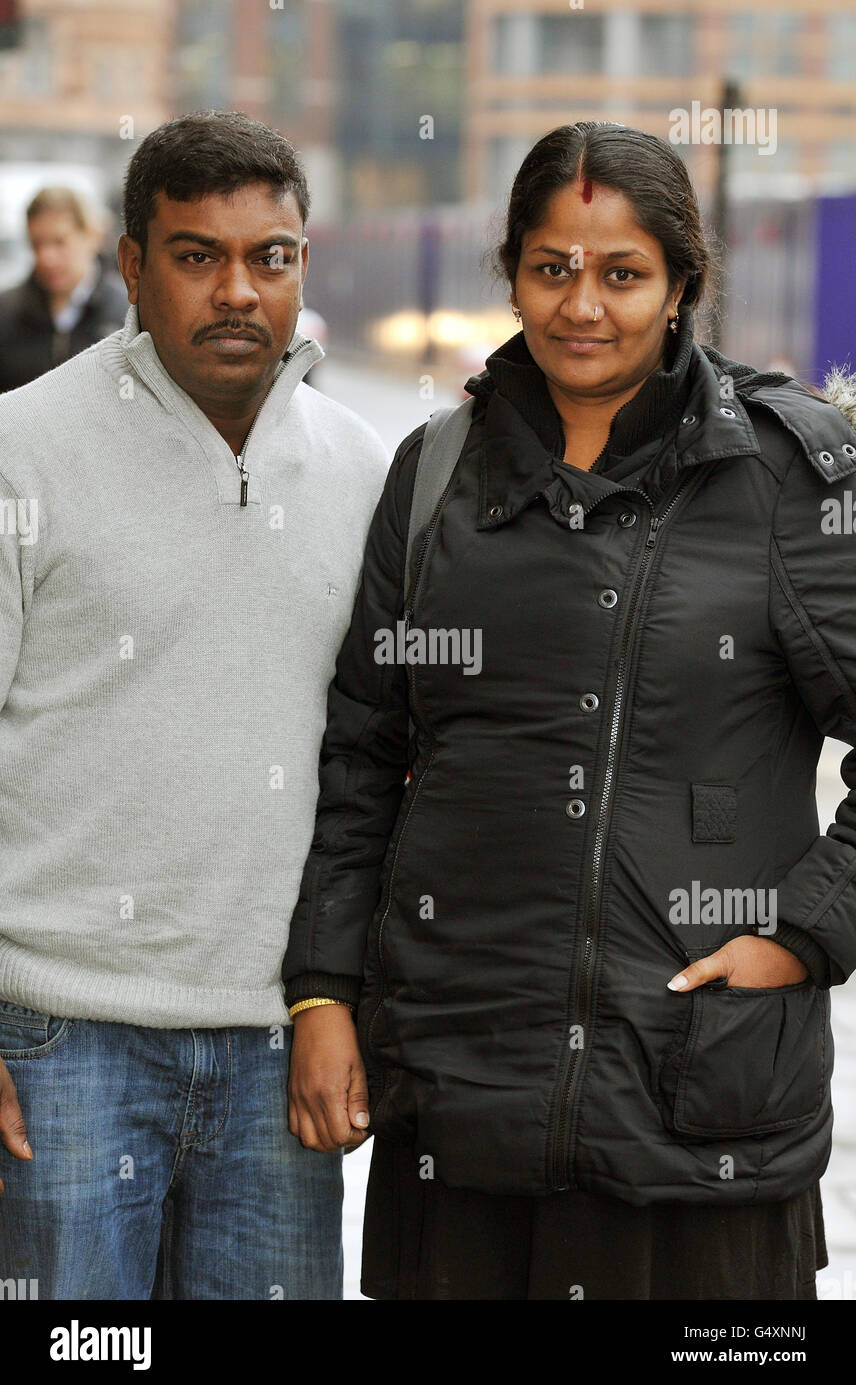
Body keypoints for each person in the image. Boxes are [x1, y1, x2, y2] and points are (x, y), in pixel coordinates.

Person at [283, 120, 856, 1301]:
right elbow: (363, 751)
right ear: (511, 274)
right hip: (461, 1105)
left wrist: (802, 933)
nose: (581, 305)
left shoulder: (789, 484)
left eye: (621, 274)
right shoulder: (437, 474)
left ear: (682, 285)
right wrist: (325, 991)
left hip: (700, 1119)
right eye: (551, 269)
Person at [0, 110, 389, 1300]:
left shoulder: (365, 470)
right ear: (131, 266)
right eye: (195, 256)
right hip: (61, 1039)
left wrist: (343, 998)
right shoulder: (23, 450)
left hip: (282, 1043)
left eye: (268, 258)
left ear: (302, 267)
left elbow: (378, 764)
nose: (237, 292)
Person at [0, 186, 127, 393]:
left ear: (91, 237)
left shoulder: (126, 314)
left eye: (59, 242)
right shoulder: (6, 312)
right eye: (37, 244)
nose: (46, 257)